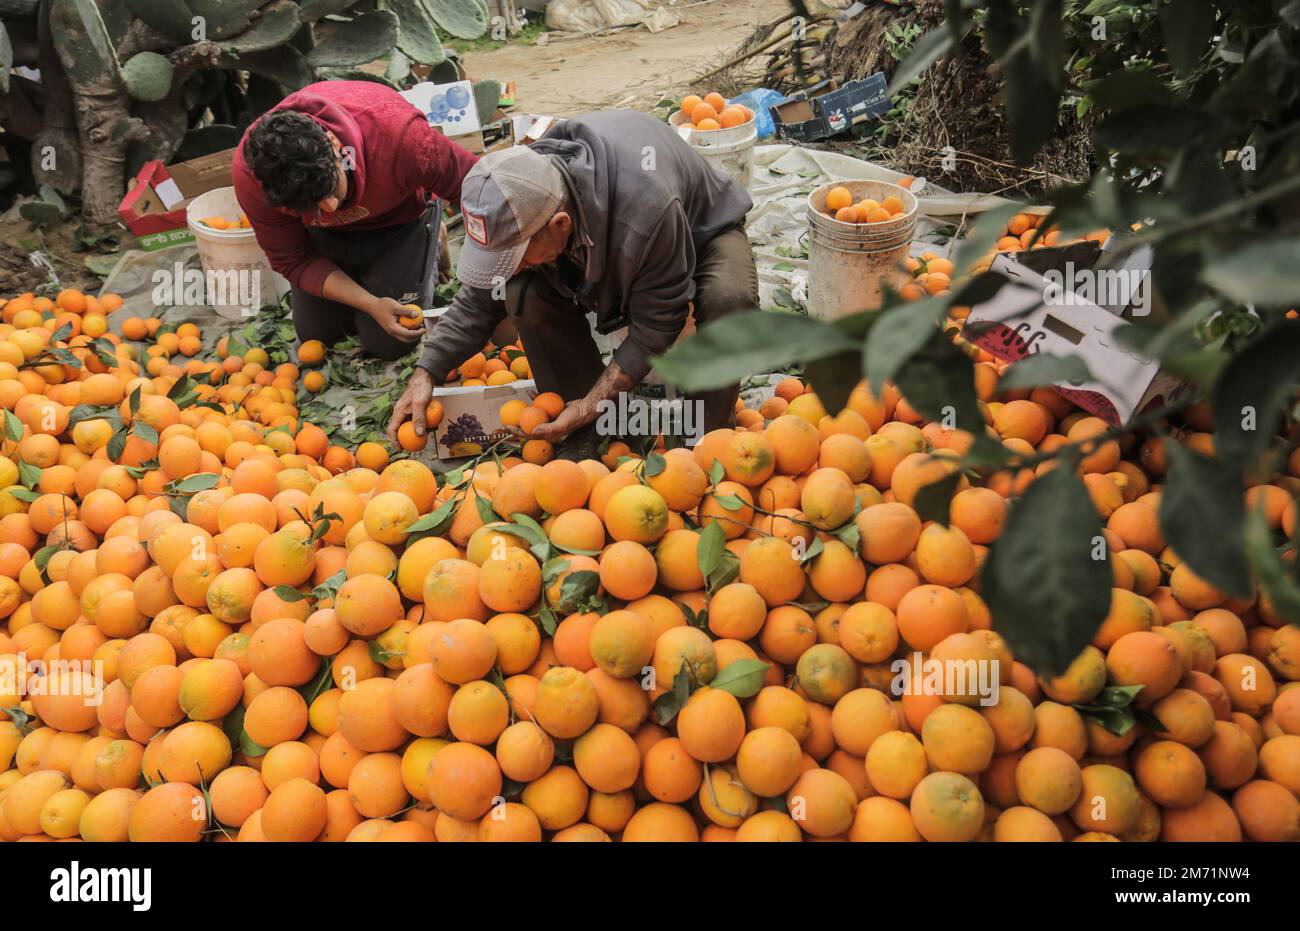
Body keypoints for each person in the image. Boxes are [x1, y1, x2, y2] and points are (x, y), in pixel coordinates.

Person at [387, 109, 757, 454]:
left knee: (729, 299)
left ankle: (709, 438)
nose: (509, 267)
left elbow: (658, 323)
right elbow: (483, 296)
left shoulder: (645, 211)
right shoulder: (528, 188)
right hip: (602, 248)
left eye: (513, 257)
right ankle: (594, 432)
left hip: (701, 231)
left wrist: (594, 403)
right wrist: (427, 371)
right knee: (522, 291)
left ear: (559, 225)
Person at [234, 80, 479, 359]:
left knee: (390, 342)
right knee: (317, 335)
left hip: (400, 222)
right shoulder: (252, 177)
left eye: (329, 190)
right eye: (311, 205)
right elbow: (293, 259)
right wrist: (371, 304)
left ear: (334, 144)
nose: (330, 207)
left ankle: (432, 235)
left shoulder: (399, 137)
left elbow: (481, 190)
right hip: (325, 237)